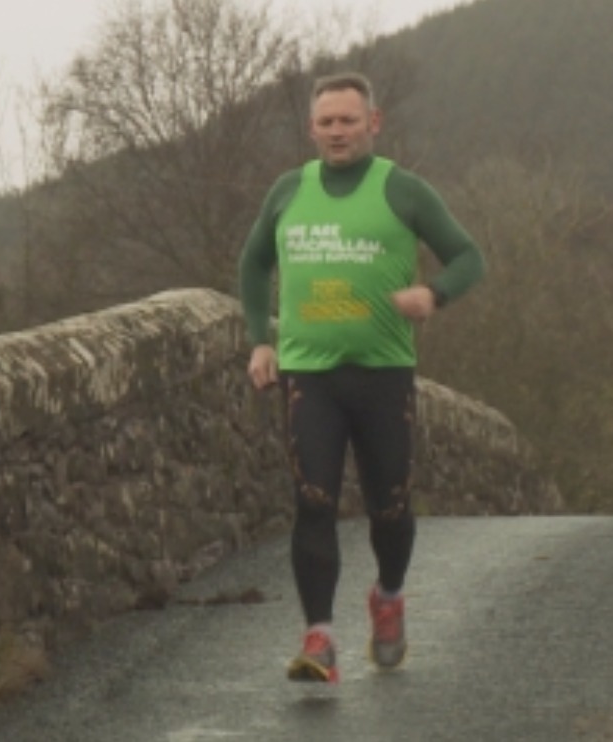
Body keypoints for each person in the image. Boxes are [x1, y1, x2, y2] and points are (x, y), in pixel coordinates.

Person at [237, 72, 485, 683]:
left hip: (383, 375)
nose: (337, 131)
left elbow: (469, 257)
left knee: (390, 506)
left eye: (349, 120)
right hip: (309, 376)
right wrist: (258, 341)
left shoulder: (402, 190)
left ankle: (389, 596)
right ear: (311, 128)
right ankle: (319, 638)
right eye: (326, 122)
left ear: (373, 122)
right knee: (312, 501)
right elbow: (253, 262)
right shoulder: (288, 190)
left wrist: (434, 293)